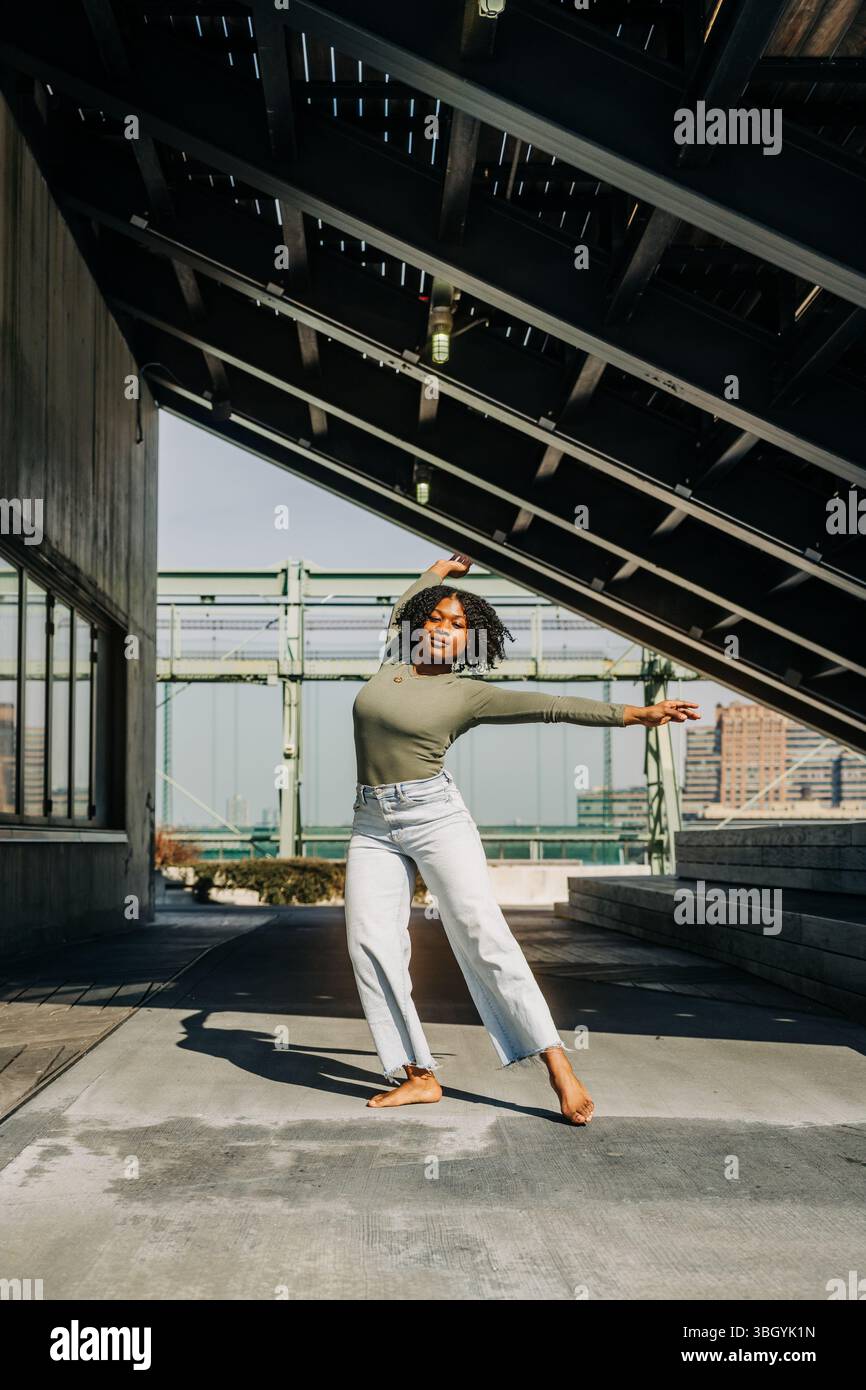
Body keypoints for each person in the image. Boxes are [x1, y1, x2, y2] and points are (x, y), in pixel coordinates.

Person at [345, 553, 700, 1124]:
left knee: (484, 935)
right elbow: (404, 602)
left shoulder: (469, 694)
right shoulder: (393, 657)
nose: (442, 629)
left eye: (458, 625)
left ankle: (557, 1064)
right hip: (371, 823)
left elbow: (551, 706)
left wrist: (637, 713)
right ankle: (418, 1074)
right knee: (370, 944)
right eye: (435, 619)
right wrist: (438, 572)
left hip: (435, 816)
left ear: (472, 642)